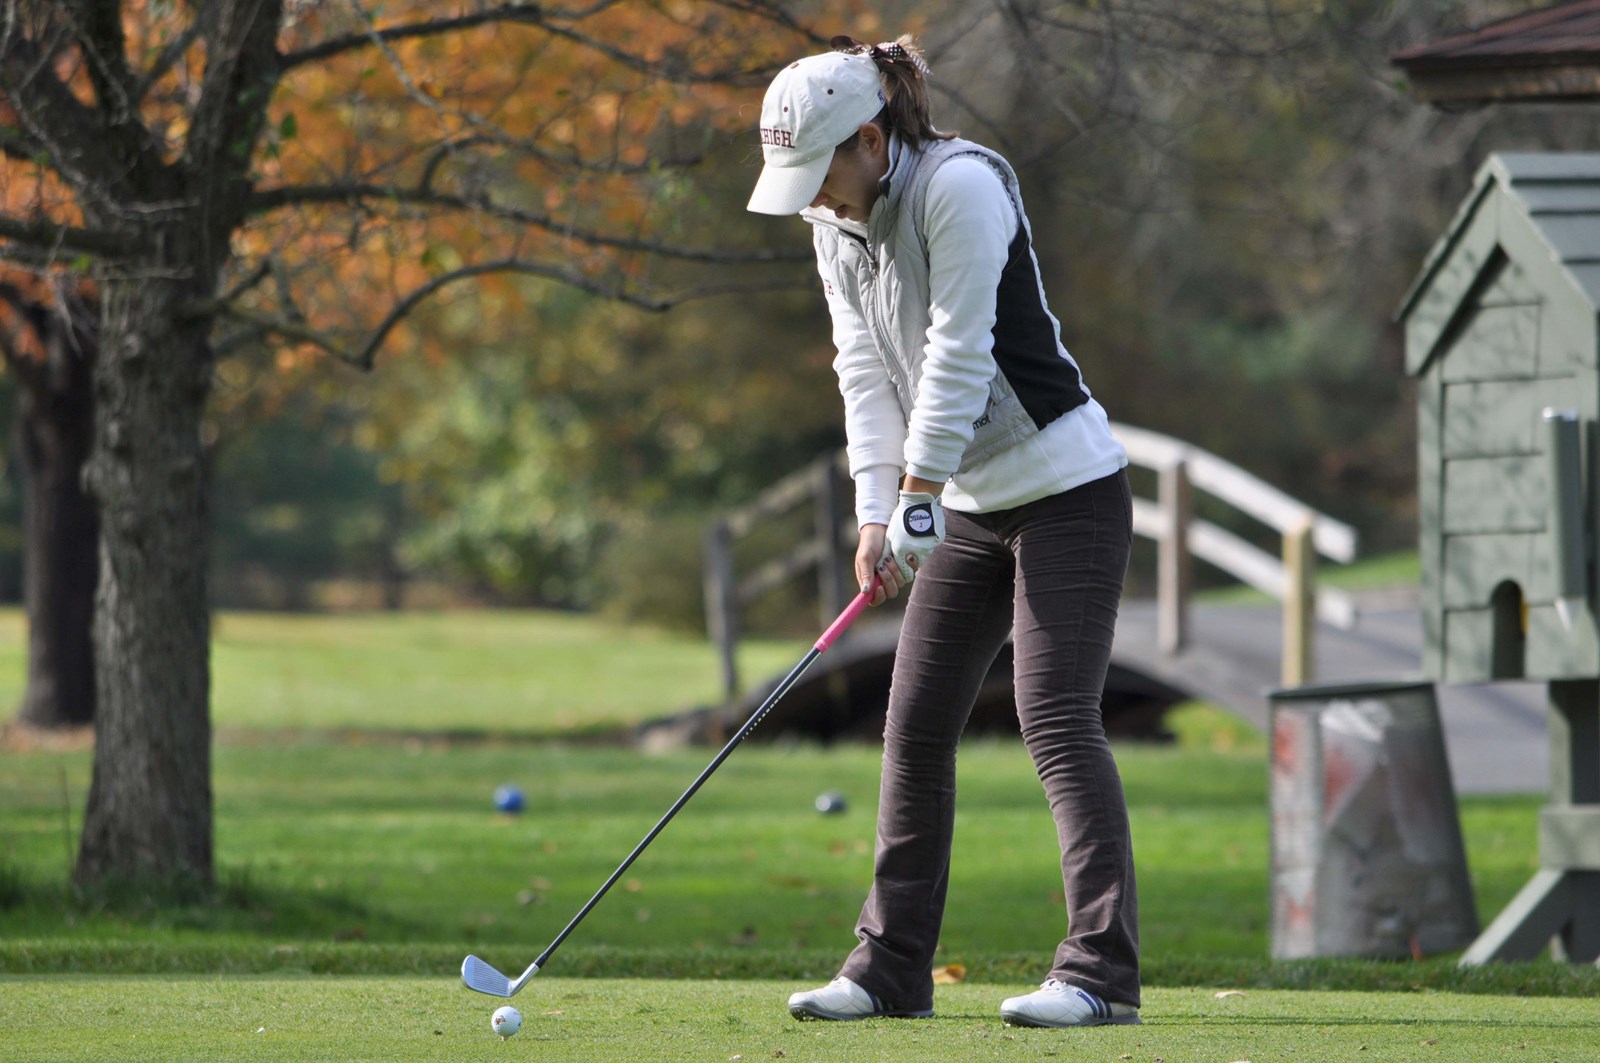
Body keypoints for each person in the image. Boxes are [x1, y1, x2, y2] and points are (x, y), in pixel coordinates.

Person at [745, 35, 1141, 1029]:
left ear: (870, 141)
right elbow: (863, 372)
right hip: (962, 504)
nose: (810, 198)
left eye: (820, 173)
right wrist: (876, 510)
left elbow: (957, 352)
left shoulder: (961, 188)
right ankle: (887, 970)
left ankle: (1098, 973)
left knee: (1052, 714)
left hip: (1064, 487)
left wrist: (918, 491)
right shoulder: (833, 221)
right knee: (914, 723)